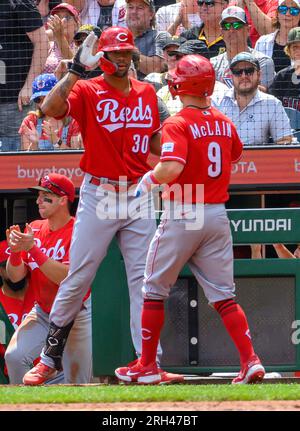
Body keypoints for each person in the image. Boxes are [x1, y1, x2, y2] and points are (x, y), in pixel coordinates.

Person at [21, 26, 182, 385]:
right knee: (79, 276)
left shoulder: (145, 92)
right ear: (103, 56)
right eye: (116, 53)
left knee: (145, 281)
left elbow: (154, 141)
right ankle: (49, 357)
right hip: (101, 191)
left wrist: (179, 153)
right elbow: (50, 110)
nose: (123, 58)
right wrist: (76, 70)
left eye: (127, 52)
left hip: (138, 192)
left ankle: (149, 361)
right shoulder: (89, 89)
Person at [114, 54, 265, 385]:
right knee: (224, 296)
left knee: (152, 288)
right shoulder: (224, 120)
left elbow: (172, 168)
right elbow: (235, 154)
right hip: (215, 213)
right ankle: (250, 360)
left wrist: (148, 181)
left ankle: (148, 365)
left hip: (184, 211)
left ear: (181, 84)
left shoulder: (178, 122)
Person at [5, 174, 93, 384]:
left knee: (78, 381)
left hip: (76, 315)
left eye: (46, 196)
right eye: (39, 196)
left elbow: (66, 277)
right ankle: (29, 406)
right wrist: (16, 251)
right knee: (14, 357)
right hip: (43, 312)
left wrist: (32, 249)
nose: (38, 201)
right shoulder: (34, 228)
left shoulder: (78, 231)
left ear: (63, 199)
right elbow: (15, 276)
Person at [0, 0, 48, 152]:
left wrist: (29, 85)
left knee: (17, 160)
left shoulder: (19, 2)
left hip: (15, 102)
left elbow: (42, 43)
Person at [217, 52, 292, 145]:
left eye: (249, 71)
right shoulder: (217, 101)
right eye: (237, 72)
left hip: (256, 158)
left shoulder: (271, 104)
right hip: (224, 157)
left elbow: (285, 140)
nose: (244, 76)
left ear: (259, 75)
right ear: (231, 76)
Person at [211, 5, 275, 90]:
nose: (231, 30)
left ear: (248, 30)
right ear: (221, 33)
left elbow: (261, 97)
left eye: (237, 25)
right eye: (226, 26)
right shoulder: (213, 64)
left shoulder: (262, 62)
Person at [19, 73, 81, 151]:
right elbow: (24, 161)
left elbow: (75, 158)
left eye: (46, 98)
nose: (42, 103)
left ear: (57, 96)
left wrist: (56, 141)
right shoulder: (30, 121)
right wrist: (34, 145)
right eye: (38, 99)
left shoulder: (74, 120)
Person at [125, 0, 171, 79]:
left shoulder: (161, 36)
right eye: (130, 7)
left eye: (140, 8)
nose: (133, 12)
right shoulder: (120, 37)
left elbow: (156, 68)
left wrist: (125, 48)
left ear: (151, 14)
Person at [255, 0, 300, 73]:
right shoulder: (262, 42)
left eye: (294, 10)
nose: (288, 14)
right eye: (283, 9)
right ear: (277, 13)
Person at [43, 3, 81, 74]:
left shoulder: (80, 46)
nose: (62, 21)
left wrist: (60, 36)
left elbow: (74, 68)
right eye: (58, 17)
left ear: (76, 24)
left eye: (67, 17)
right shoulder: (46, 46)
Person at [269, 26, 300, 111]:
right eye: (295, 47)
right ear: (289, 50)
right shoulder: (282, 77)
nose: (298, 51)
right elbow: (272, 109)